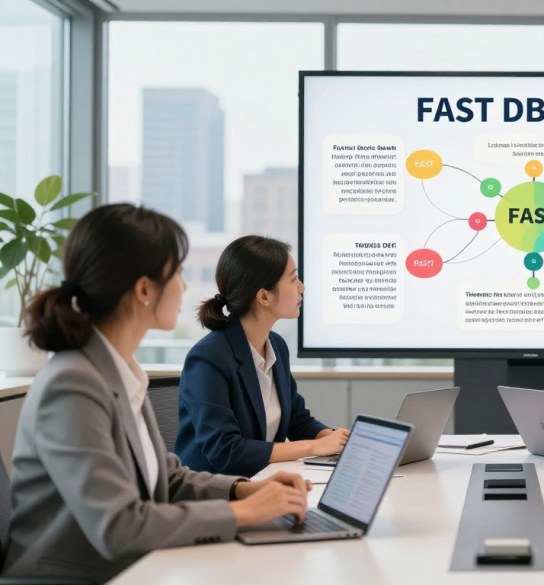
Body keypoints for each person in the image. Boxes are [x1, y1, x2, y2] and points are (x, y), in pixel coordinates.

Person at [2, 204, 312, 583]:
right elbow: (120, 527)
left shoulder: (120, 371)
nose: (184, 285)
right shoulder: (72, 385)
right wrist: (244, 514)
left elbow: (169, 479)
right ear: (144, 290)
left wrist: (246, 490)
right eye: (178, 273)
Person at [176, 236, 349, 477]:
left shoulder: (276, 345)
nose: (302, 287)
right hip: (215, 495)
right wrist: (314, 447)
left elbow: (297, 421)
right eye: (293, 279)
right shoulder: (208, 358)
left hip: (261, 482)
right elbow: (226, 451)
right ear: (264, 296)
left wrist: (334, 438)